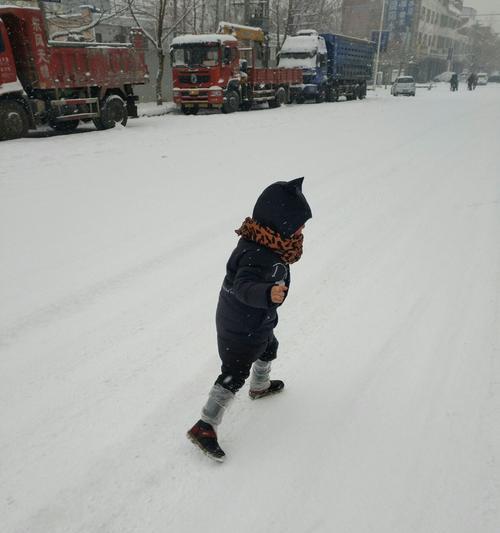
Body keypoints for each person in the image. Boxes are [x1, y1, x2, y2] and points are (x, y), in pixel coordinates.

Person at [187, 178, 312, 462]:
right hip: (239, 326)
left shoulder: (272, 245)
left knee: (269, 347)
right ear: (280, 222)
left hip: (257, 321)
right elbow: (242, 286)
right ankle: (204, 426)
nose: (302, 229)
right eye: (298, 223)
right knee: (233, 373)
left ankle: (259, 386)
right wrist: (267, 292)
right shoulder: (255, 253)